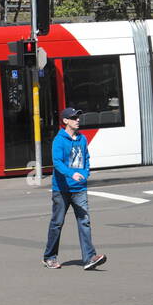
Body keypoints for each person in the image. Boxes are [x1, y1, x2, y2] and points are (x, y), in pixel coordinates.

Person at [43, 107, 107, 270]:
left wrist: (86, 173)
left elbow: (86, 158)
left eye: (78, 117)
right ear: (65, 121)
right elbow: (57, 163)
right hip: (62, 189)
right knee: (57, 223)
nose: (78, 119)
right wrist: (72, 174)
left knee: (84, 221)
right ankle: (49, 257)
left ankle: (89, 258)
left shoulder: (82, 139)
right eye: (73, 117)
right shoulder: (59, 140)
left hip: (79, 188)